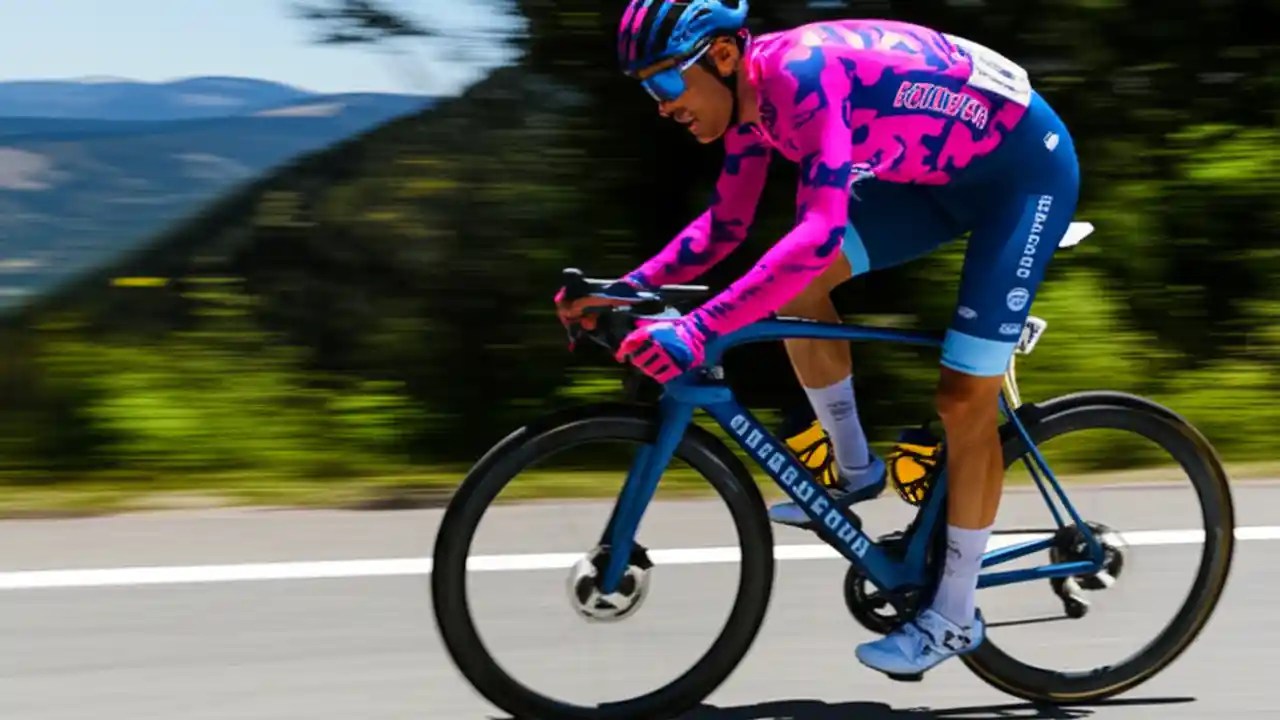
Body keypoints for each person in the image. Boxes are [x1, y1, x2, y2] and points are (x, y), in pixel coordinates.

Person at [555, 0, 1081, 678]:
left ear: (722, 57)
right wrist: (626, 288)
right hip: (933, 178)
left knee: (962, 399)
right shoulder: (749, 103)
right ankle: (855, 471)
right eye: (646, 90)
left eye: (665, 82)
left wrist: (699, 328)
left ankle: (953, 616)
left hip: (1022, 179)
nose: (661, 105)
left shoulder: (800, 78)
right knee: (798, 288)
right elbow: (725, 226)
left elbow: (818, 231)